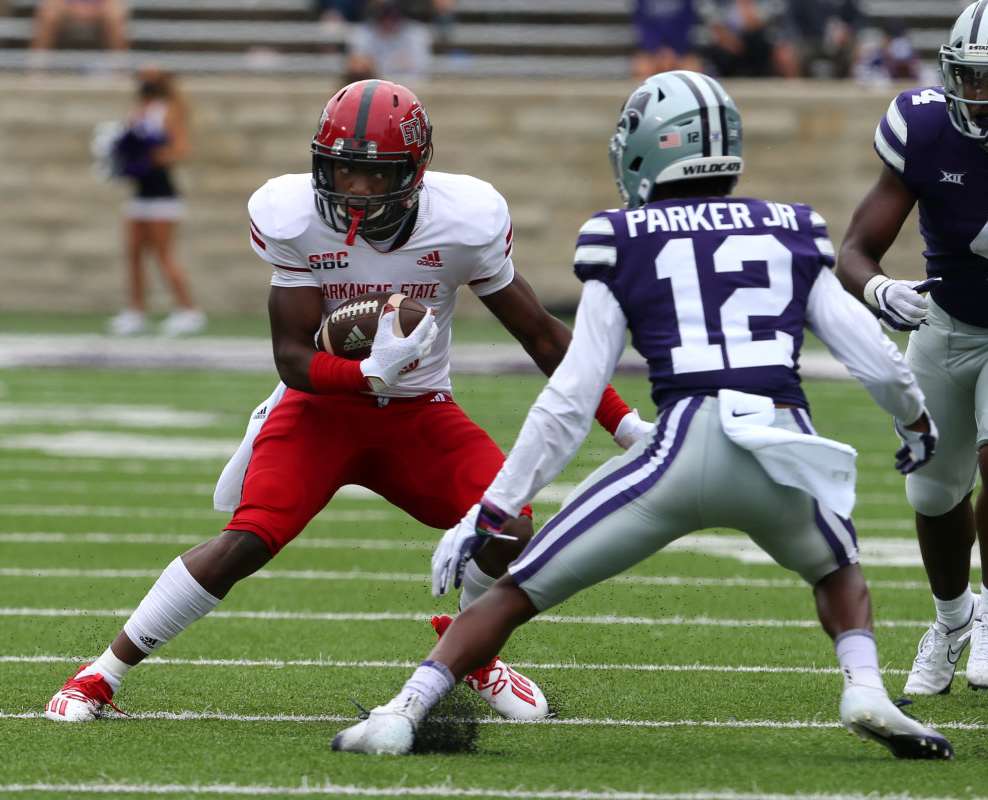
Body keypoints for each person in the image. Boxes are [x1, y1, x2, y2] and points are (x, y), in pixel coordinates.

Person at [332, 70, 955, 760]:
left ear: (648, 149)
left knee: (512, 593)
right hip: (782, 446)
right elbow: (870, 352)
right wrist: (916, 422)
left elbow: (572, 395)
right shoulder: (792, 227)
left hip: (682, 446)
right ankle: (864, 687)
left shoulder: (621, 236)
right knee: (838, 572)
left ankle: (403, 712)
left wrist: (497, 507)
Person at [43, 78, 652, 723]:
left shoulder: (464, 221)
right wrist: (367, 373)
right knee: (246, 540)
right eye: (340, 171)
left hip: (421, 411)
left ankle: (469, 649)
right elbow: (292, 359)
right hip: (319, 411)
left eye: (373, 175)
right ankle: (100, 675)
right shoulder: (293, 215)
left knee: (510, 527)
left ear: (415, 171)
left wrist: (622, 424)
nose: (353, 190)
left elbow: (540, 334)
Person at [836, 0, 988, 696]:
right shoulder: (924, 126)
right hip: (943, 330)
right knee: (934, 492)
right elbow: (855, 249)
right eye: (969, 79)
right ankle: (951, 622)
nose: (981, 96)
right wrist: (880, 292)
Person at [104, 67, 205, 337]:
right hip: (139, 193)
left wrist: (149, 156)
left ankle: (188, 310)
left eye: (151, 77)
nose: (145, 82)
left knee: (163, 253)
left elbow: (182, 149)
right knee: (134, 253)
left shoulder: (169, 109)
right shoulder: (138, 107)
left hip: (162, 193)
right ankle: (136, 312)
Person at [344, 0, 432, 84]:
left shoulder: (416, 34)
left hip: (410, 88)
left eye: (393, 17)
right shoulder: (362, 34)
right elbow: (358, 66)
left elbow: (420, 70)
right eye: (384, 17)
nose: (388, 22)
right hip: (374, 88)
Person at [631, 0, 704, 78]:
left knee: (692, 71)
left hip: (681, 51)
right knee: (643, 69)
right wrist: (656, 49)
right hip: (652, 52)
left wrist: (676, 51)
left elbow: (686, 24)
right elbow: (644, 24)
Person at [30, 0, 129, 53]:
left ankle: (120, 68)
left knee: (116, 15)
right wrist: (75, 10)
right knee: (48, 14)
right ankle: (37, 66)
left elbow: (113, 2)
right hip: (66, 10)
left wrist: (90, 11)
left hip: (100, 10)